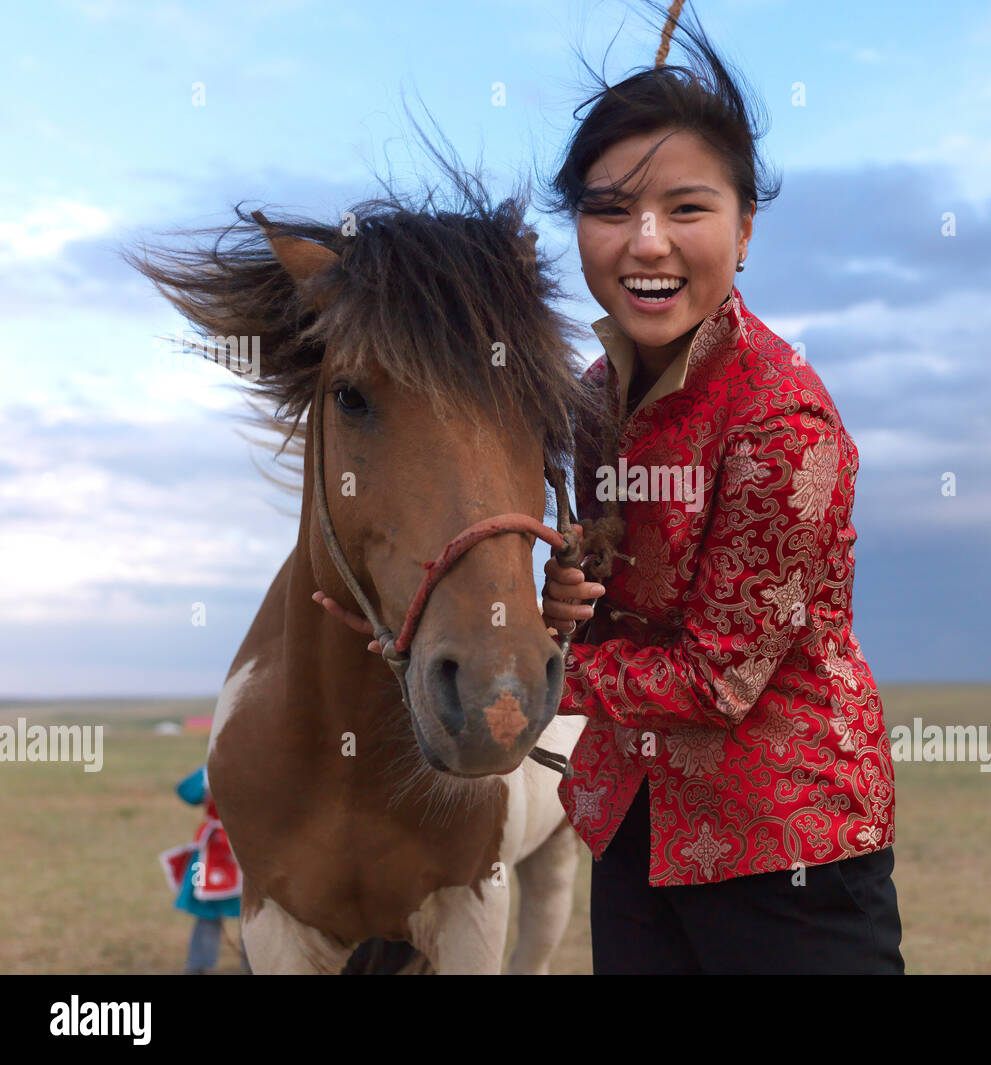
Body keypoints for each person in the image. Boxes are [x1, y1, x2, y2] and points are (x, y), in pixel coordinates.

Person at [316, 0, 902, 976]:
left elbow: (718, 679)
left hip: (784, 849)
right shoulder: (587, 402)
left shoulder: (779, 421)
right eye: (608, 209)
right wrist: (559, 604)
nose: (646, 243)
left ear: (745, 229)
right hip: (631, 827)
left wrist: (537, 658)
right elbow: (604, 590)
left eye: (686, 208)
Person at [158, 765, 249, 974]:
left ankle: (255, 963)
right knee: (208, 912)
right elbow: (188, 792)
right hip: (214, 853)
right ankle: (199, 966)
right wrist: (209, 770)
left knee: (252, 915)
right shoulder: (214, 767)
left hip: (248, 848)